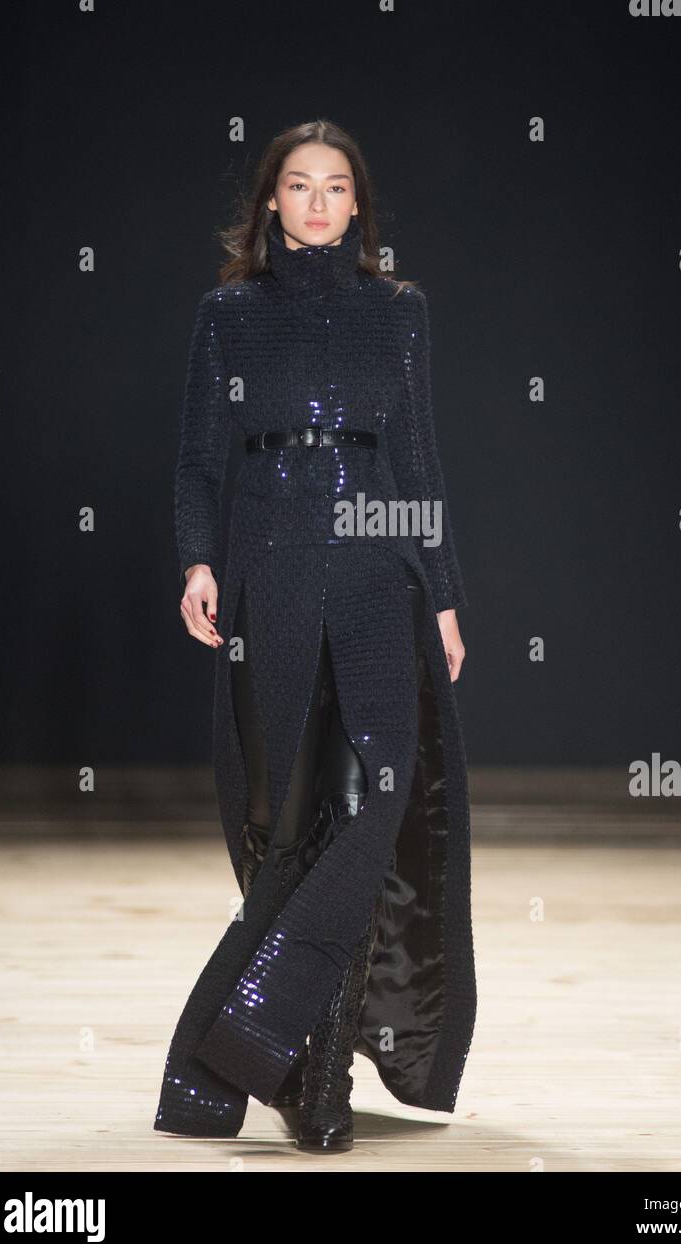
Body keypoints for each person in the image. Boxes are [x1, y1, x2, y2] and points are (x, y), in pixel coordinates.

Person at [154, 119, 476, 1153]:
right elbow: (200, 461)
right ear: (271, 205)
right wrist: (199, 564)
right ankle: (290, 1068)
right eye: (300, 186)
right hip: (271, 580)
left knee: (366, 820)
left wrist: (445, 596)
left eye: (338, 188)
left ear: (357, 208)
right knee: (284, 831)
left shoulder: (399, 312)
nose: (320, 204)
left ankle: (305, 1067)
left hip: (381, 580)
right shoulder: (228, 316)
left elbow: (418, 461)